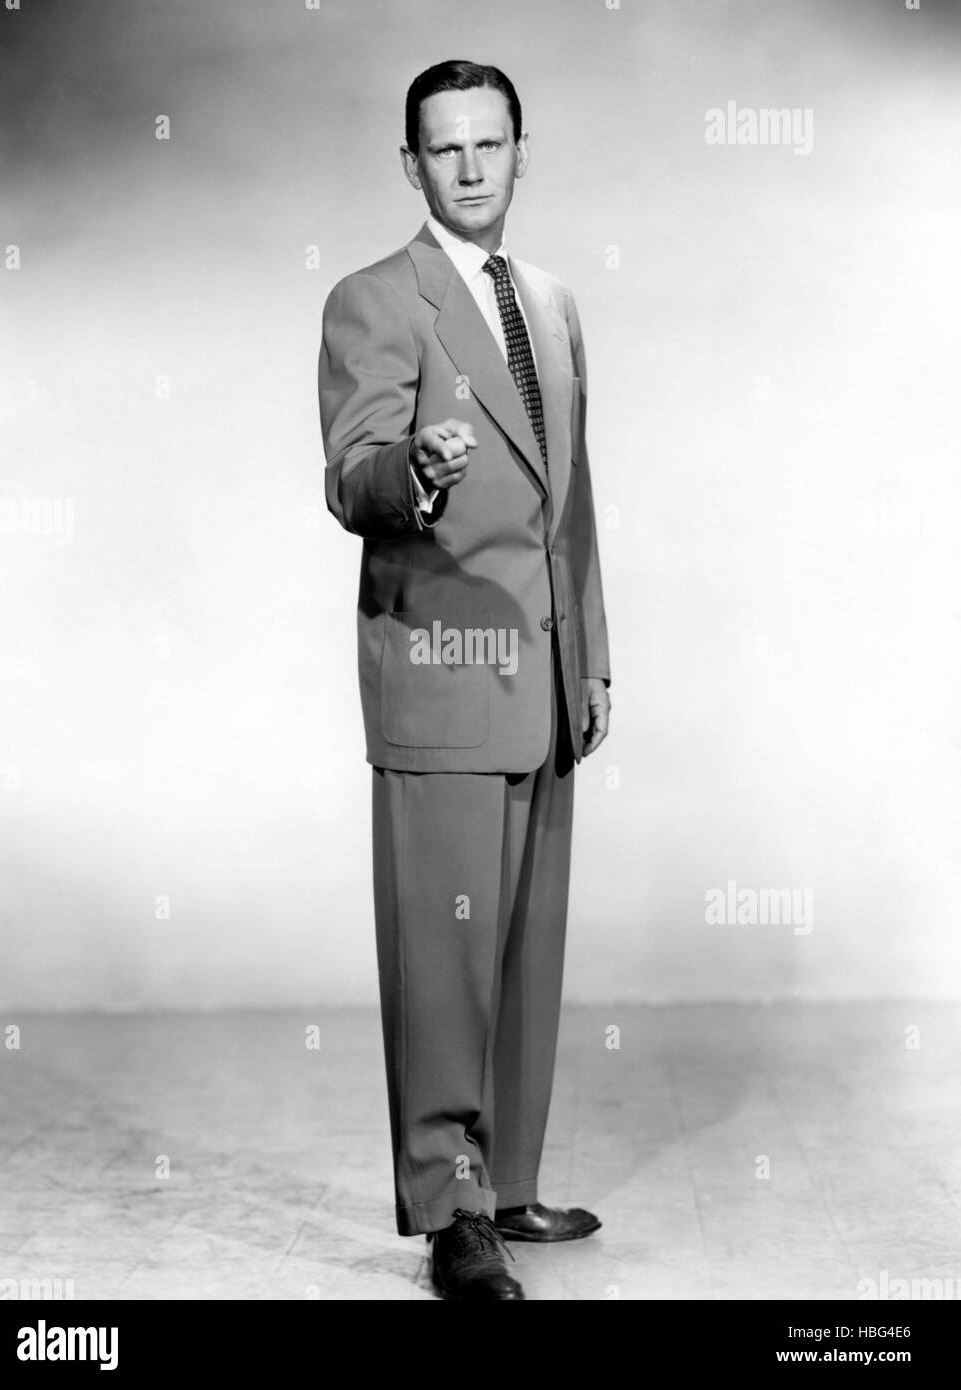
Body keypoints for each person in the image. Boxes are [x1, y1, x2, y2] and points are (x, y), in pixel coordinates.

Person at [318, 59, 611, 1301]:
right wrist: (415, 472)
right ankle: (451, 1215)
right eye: (447, 150)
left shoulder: (548, 303)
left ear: (520, 151)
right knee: (445, 961)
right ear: (412, 167)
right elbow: (351, 475)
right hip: (442, 670)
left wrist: (587, 655)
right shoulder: (374, 301)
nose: (473, 167)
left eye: (491, 144)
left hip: (538, 676)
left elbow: (572, 505)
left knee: (524, 952)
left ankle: (512, 1181)